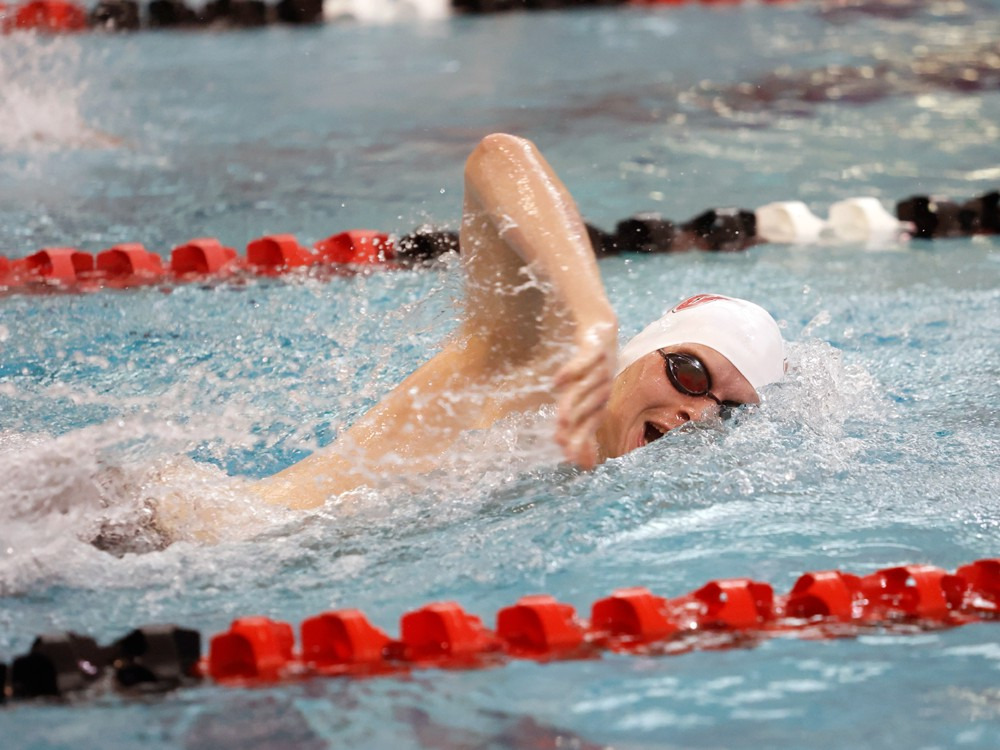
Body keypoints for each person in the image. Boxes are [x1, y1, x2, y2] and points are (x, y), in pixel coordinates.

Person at [253, 133, 785, 511]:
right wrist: (592, 318)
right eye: (690, 374)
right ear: (645, 351)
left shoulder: (586, 480)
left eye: (731, 411)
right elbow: (500, 156)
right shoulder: (537, 369)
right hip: (221, 534)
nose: (701, 415)